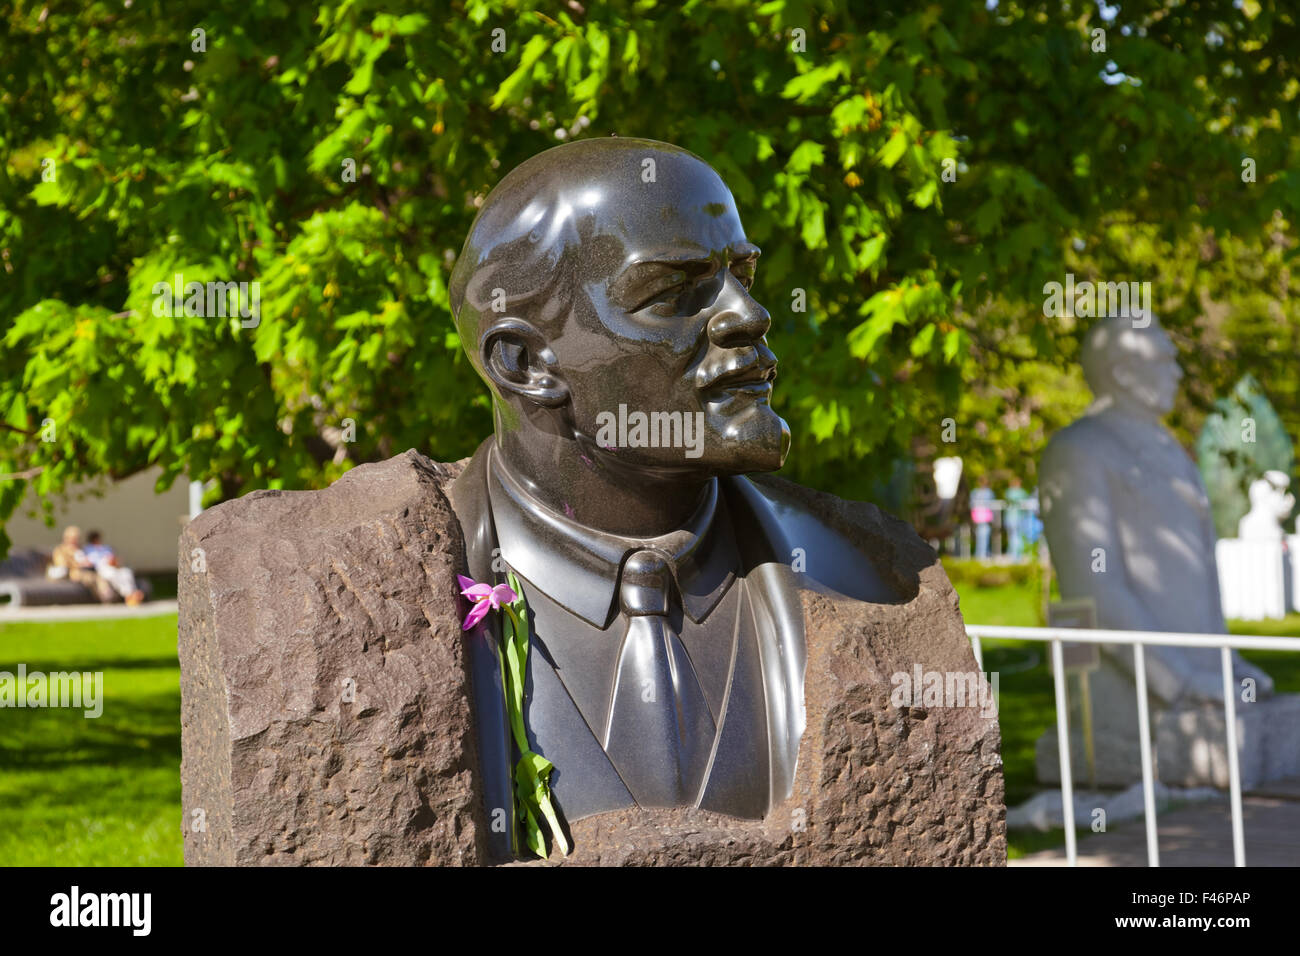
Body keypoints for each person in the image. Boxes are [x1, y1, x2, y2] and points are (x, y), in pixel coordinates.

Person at [48, 526, 113, 602]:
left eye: (77, 538)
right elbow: (61, 564)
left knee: (99, 576)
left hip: (85, 571)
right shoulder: (61, 550)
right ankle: (105, 595)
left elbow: (88, 559)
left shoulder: (80, 549)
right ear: (67, 538)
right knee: (91, 577)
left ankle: (106, 595)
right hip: (72, 573)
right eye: (73, 538)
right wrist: (77, 563)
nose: (76, 541)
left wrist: (87, 563)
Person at [84, 530, 145, 605]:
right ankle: (128, 596)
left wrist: (115, 562)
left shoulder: (106, 547)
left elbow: (114, 557)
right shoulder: (89, 549)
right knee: (113, 575)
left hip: (113, 566)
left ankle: (133, 592)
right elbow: (89, 562)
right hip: (101, 568)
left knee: (126, 572)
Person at [1004, 476, 1030, 560]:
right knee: (1017, 536)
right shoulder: (1022, 493)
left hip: (1010, 518)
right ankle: (1016, 555)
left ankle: (1013, 554)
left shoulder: (1008, 492)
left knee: (1012, 536)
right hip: (1019, 517)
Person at [970, 477, 995, 558]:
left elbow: (971, 504)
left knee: (980, 536)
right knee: (984, 535)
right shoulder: (989, 493)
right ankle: (983, 554)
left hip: (977, 517)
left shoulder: (974, 492)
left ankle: (980, 554)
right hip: (985, 517)